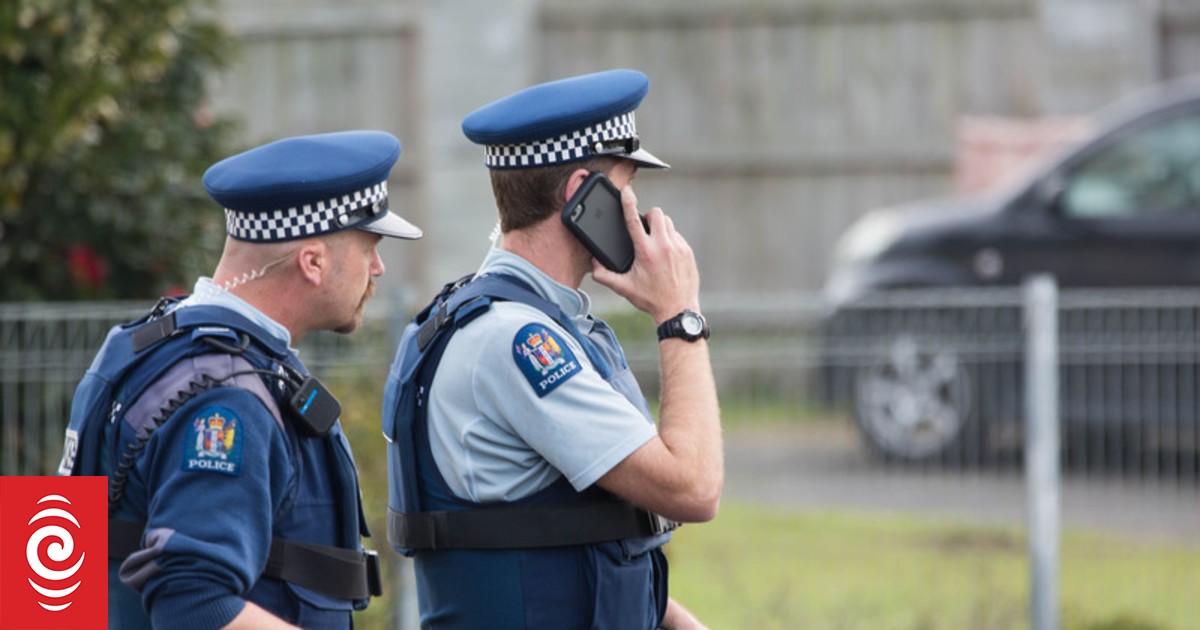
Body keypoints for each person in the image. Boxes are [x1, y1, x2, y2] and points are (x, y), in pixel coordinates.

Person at [382, 69, 721, 629]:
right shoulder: (518, 342)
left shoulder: (517, 322)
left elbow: (586, 537)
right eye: (626, 186)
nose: (636, 211)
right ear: (581, 194)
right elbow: (693, 488)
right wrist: (679, 316)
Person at [57, 130, 422, 629]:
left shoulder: (138, 350)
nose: (377, 268)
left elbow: (44, 582)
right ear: (313, 263)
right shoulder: (229, 399)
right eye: (369, 247)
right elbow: (194, 604)